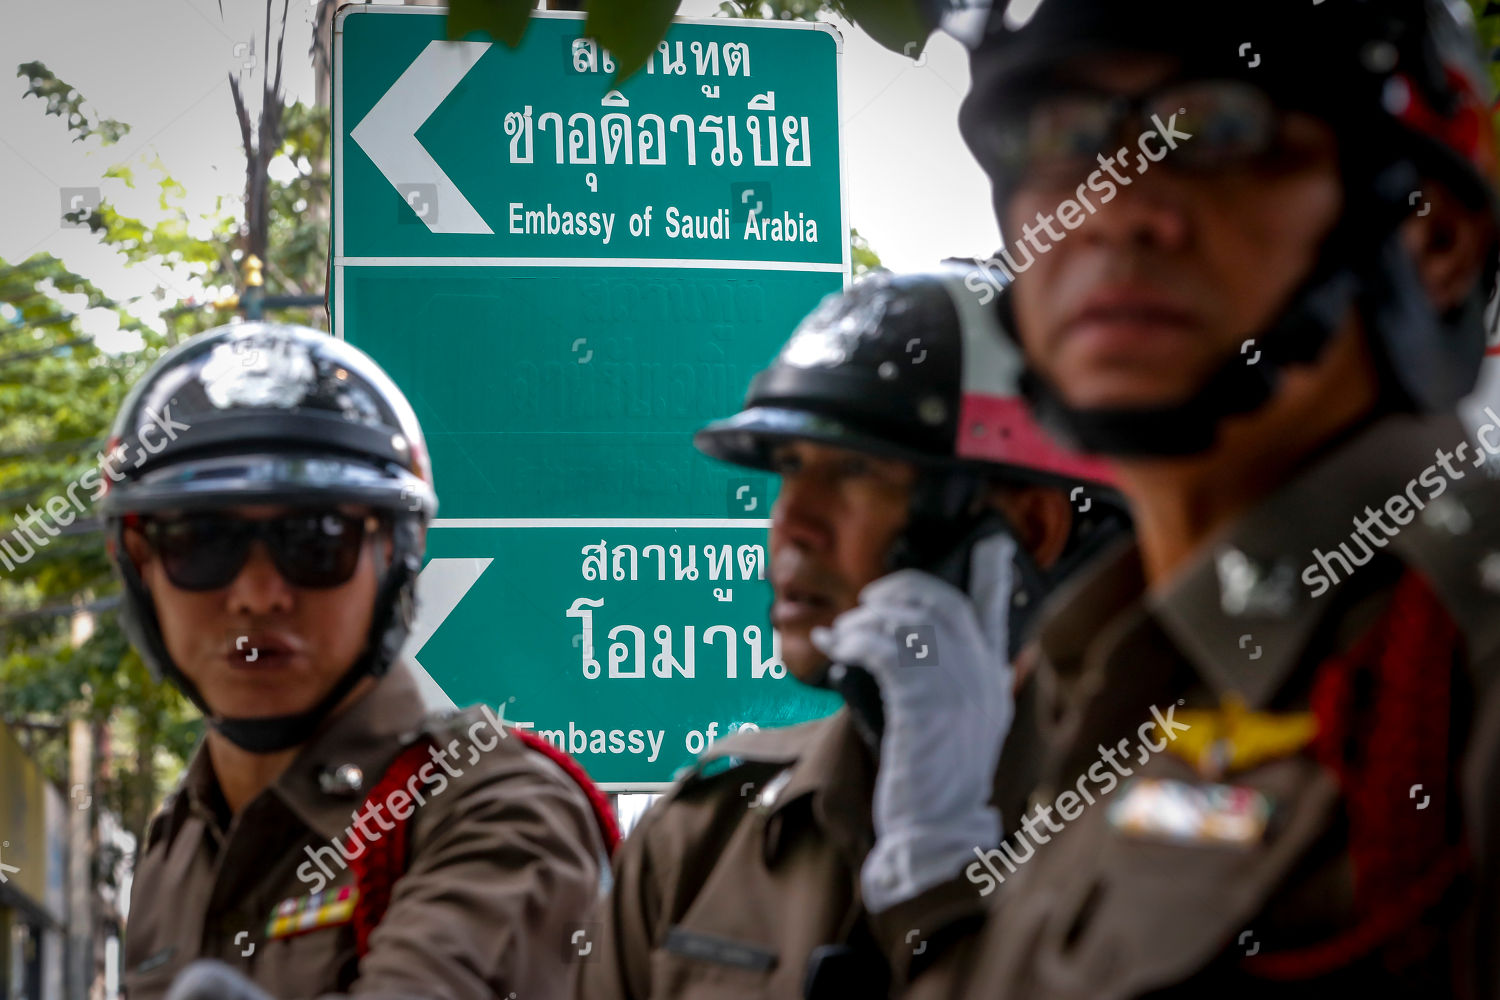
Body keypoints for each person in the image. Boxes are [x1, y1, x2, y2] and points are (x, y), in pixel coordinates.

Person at [851, 0, 1500, 996]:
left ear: (1436, 238)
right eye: (1058, 136)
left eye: (1215, 129)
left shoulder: (1463, 664)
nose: (1114, 205)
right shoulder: (1088, 677)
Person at [572, 269, 1130, 999]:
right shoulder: (704, 836)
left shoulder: (1140, 843)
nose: (790, 524)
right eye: (790, 469)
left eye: (857, 471)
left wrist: (943, 876)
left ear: (1030, 527)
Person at [103, 322, 617, 1000]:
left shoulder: (501, 812)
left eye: (317, 540)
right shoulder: (179, 839)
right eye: (204, 542)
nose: (259, 597)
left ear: (393, 561)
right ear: (141, 567)